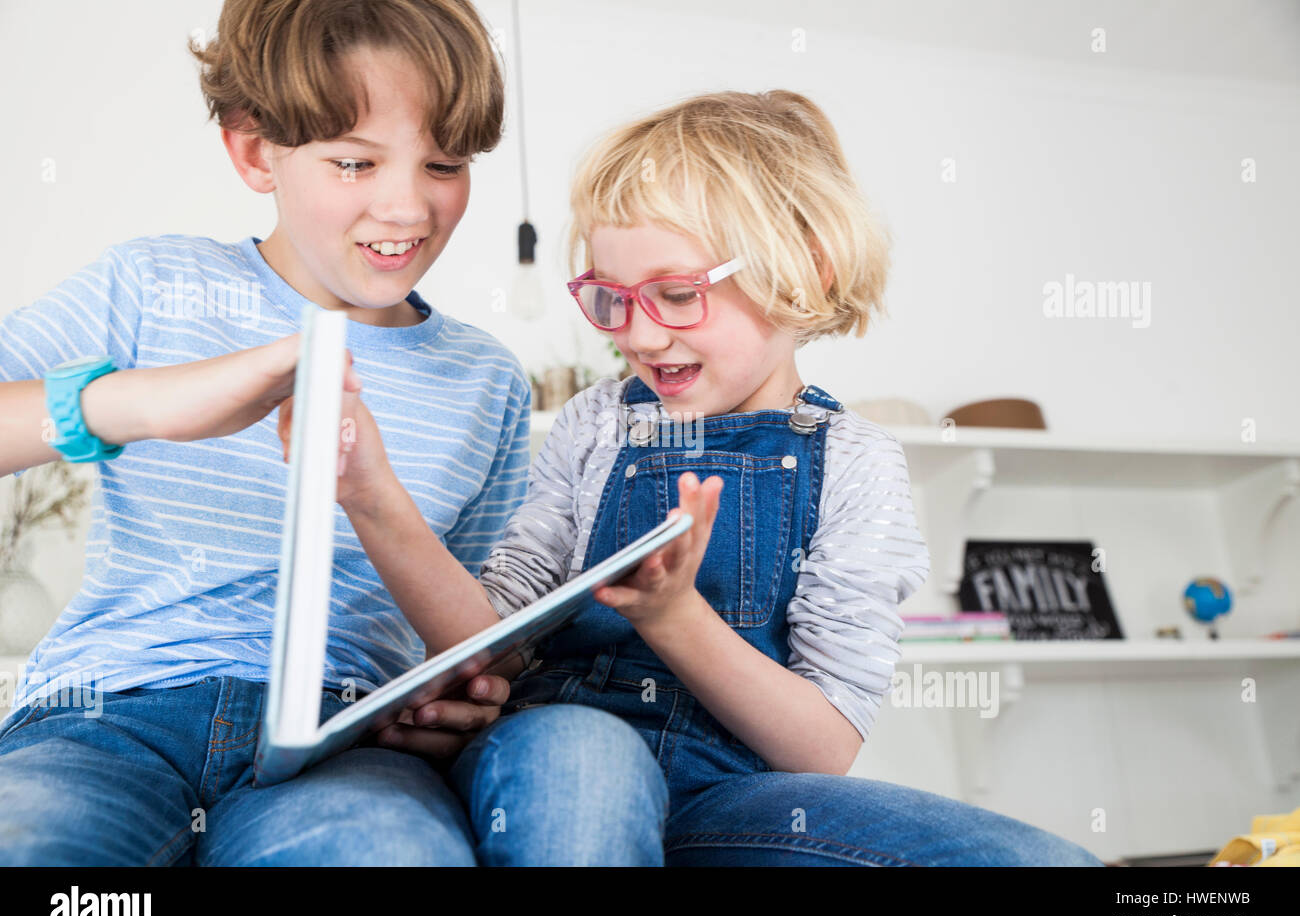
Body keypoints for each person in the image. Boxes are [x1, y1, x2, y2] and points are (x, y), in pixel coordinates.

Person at [300, 89, 1106, 866]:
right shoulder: (597, 422)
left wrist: (674, 616)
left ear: (808, 271)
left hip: (731, 797)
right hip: (557, 758)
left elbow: (820, 749)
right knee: (586, 756)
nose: (641, 336)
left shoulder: (855, 461)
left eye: (678, 294)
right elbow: (488, 639)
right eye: (612, 299)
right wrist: (371, 493)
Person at [0, 0, 522, 866]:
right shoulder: (154, 283)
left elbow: (484, 631)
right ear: (254, 149)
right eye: (354, 162)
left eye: (446, 162)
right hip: (108, 717)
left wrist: (466, 695)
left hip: (344, 743)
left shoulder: (485, 379)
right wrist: (142, 404)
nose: (409, 206)